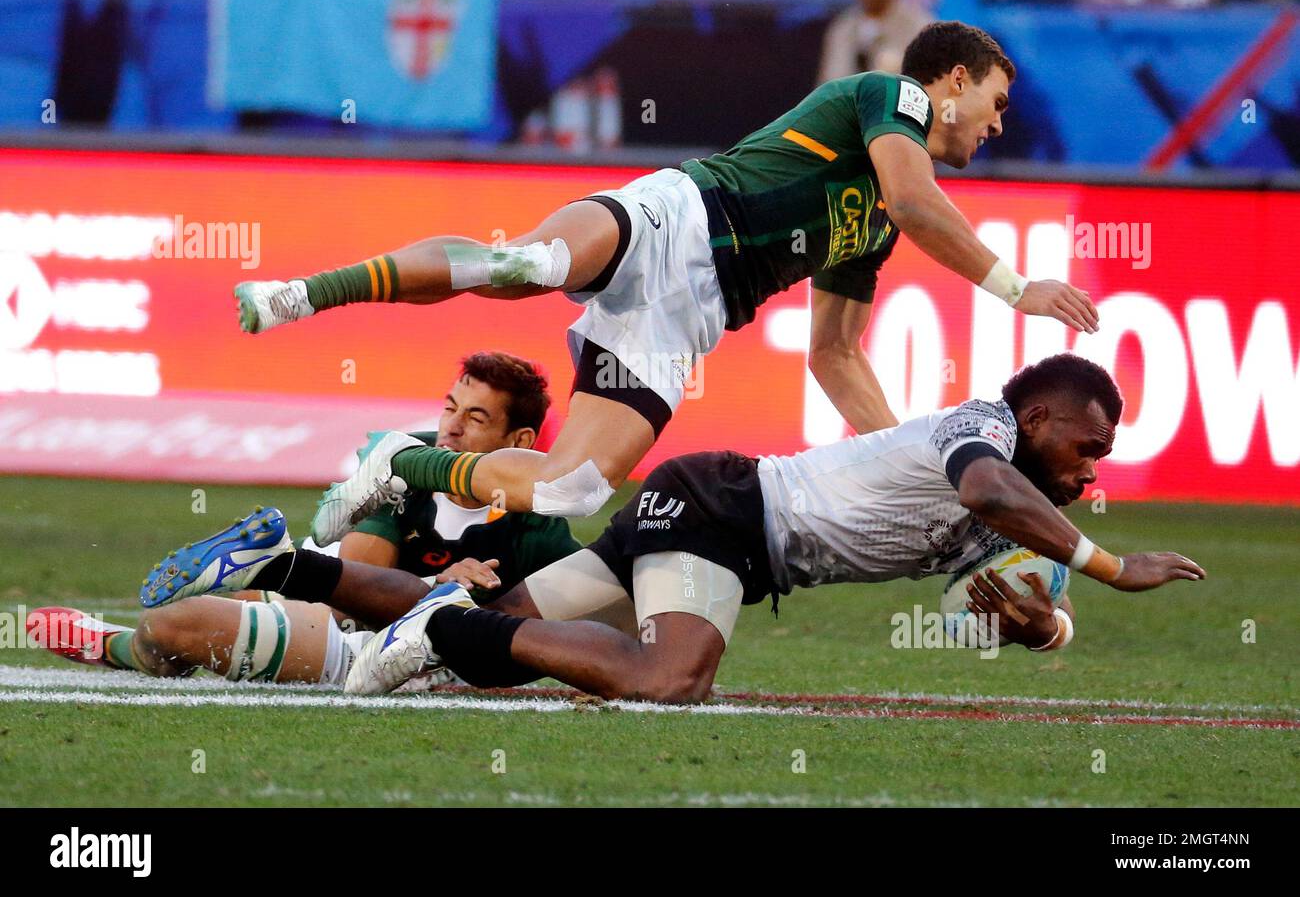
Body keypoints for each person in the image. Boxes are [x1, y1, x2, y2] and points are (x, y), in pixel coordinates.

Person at [231, 21, 1100, 547]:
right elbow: (919, 199)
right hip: (678, 217)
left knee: (571, 489)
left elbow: (835, 355)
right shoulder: (893, 97)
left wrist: (921, 461)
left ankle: (398, 461)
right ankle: (304, 292)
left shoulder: (870, 222)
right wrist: (1018, 288)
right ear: (950, 82)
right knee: (525, 264)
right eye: (994, 99)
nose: (997, 120)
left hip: (687, 316)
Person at [138, 355, 1204, 702]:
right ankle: (446, 630)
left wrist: (1031, 625)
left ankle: (287, 561)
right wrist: (1114, 566)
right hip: (729, 511)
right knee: (669, 678)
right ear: (1034, 418)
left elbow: (1014, 614)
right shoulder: (980, 437)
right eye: (1084, 445)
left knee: (506, 641)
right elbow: (986, 496)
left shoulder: (1031, 505)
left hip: (710, 507)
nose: (1089, 466)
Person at [28, 352, 580, 686]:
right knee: (181, 624)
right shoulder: (406, 459)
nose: (450, 429)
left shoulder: (538, 523)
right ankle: (134, 640)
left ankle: (133, 637)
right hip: (339, 609)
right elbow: (355, 586)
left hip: (400, 651)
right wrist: (442, 588)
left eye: (475, 418)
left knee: (179, 627)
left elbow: (563, 623)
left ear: (520, 443)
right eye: (449, 407)